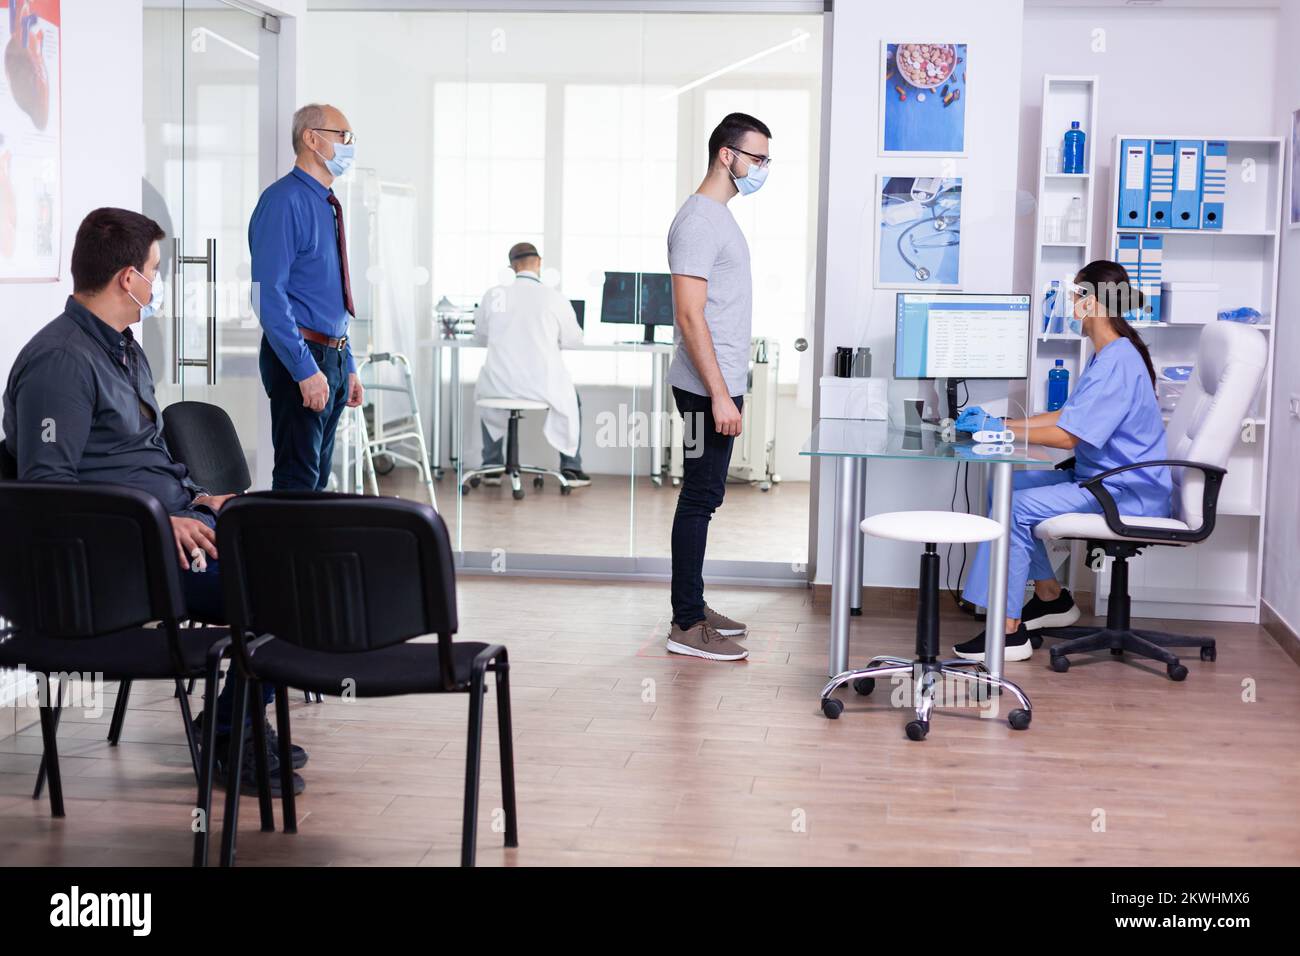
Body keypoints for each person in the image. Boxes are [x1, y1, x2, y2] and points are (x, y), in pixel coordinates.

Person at [0, 207, 304, 795]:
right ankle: (227, 733)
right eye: (155, 270)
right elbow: (45, 499)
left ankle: (228, 725)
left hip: (171, 534)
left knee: (296, 558)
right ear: (126, 279)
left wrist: (195, 499)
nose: (158, 282)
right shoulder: (61, 364)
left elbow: (139, 458)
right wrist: (160, 524)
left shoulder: (122, 348)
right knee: (286, 591)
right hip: (122, 567)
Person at [954, 259, 1173, 662]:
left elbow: (1068, 436)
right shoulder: (1109, 354)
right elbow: (1068, 416)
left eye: (1075, 294)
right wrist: (1002, 421)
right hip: (1103, 480)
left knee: (1015, 507)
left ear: (1090, 302)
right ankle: (1050, 596)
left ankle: (1007, 632)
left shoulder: (1118, 362)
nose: (1070, 302)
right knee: (1004, 488)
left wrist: (1001, 432)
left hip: (1125, 493)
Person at [664, 112, 771, 662]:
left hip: (721, 383)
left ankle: (696, 607)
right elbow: (688, 314)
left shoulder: (720, 217)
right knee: (699, 498)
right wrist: (721, 394)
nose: (762, 168)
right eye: (756, 158)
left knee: (707, 497)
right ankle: (686, 624)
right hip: (708, 388)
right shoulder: (699, 221)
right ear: (726, 155)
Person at [249, 102, 364, 491]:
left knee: (316, 481)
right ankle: (283, 555)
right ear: (312, 139)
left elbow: (331, 294)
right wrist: (304, 369)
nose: (349, 147)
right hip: (302, 356)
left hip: (329, 355)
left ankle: (310, 555)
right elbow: (267, 294)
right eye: (343, 137)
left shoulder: (327, 204)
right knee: (297, 483)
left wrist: (347, 362)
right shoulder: (284, 201)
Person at [472, 242, 589, 487]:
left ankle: (491, 465)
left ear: (511, 266)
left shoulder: (495, 295)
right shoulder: (554, 297)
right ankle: (571, 468)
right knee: (572, 399)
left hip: (499, 385)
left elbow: (481, 336)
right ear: (539, 262)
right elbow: (574, 340)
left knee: (486, 387)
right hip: (542, 386)